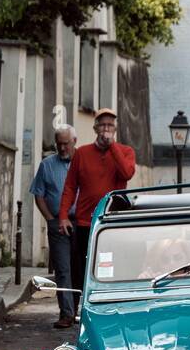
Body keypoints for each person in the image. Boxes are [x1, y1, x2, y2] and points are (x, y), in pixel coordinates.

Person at [58, 108, 137, 314]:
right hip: (85, 222)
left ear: (115, 129)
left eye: (110, 125)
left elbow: (127, 173)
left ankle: (108, 308)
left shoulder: (125, 151)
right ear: (95, 128)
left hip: (112, 221)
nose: (106, 129)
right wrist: (64, 215)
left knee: (110, 268)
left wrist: (112, 147)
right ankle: (74, 310)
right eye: (102, 125)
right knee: (80, 269)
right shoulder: (82, 153)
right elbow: (69, 186)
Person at [29, 124, 78, 328]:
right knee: (63, 269)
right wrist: (50, 219)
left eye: (66, 143)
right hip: (58, 222)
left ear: (74, 141)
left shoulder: (83, 161)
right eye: (59, 144)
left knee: (79, 269)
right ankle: (66, 314)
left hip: (81, 222)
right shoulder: (47, 165)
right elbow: (38, 194)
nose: (63, 148)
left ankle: (77, 310)